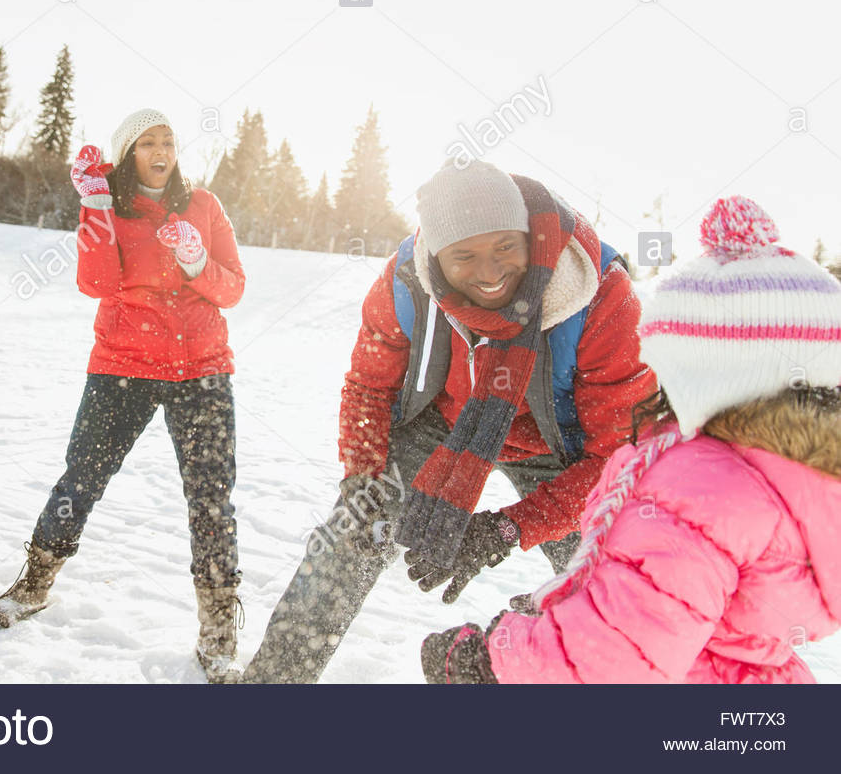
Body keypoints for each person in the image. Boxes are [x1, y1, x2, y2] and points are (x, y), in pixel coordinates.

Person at [244, 160, 655, 683]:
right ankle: (273, 682)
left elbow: (619, 458)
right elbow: (370, 386)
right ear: (437, 258)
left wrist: (507, 528)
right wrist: (361, 477)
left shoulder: (597, 293)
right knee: (353, 531)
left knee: (617, 575)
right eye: (465, 256)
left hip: (557, 448)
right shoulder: (406, 281)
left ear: (530, 236)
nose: (490, 272)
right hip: (446, 424)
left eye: (506, 247)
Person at [422, 195, 841, 684]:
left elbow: (611, 658)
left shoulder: (701, 487)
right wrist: (566, 604)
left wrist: (489, 660)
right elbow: (697, 620)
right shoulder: (804, 476)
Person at [0, 108, 246, 681]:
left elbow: (233, 288)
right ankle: (34, 584)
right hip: (123, 365)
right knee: (82, 478)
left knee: (211, 499)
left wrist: (197, 261)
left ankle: (219, 628)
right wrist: (97, 208)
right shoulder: (110, 206)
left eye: (168, 141)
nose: (160, 151)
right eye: (147, 142)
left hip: (201, 371)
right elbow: (95, 283)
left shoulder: (203, 206)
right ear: (127, 155)